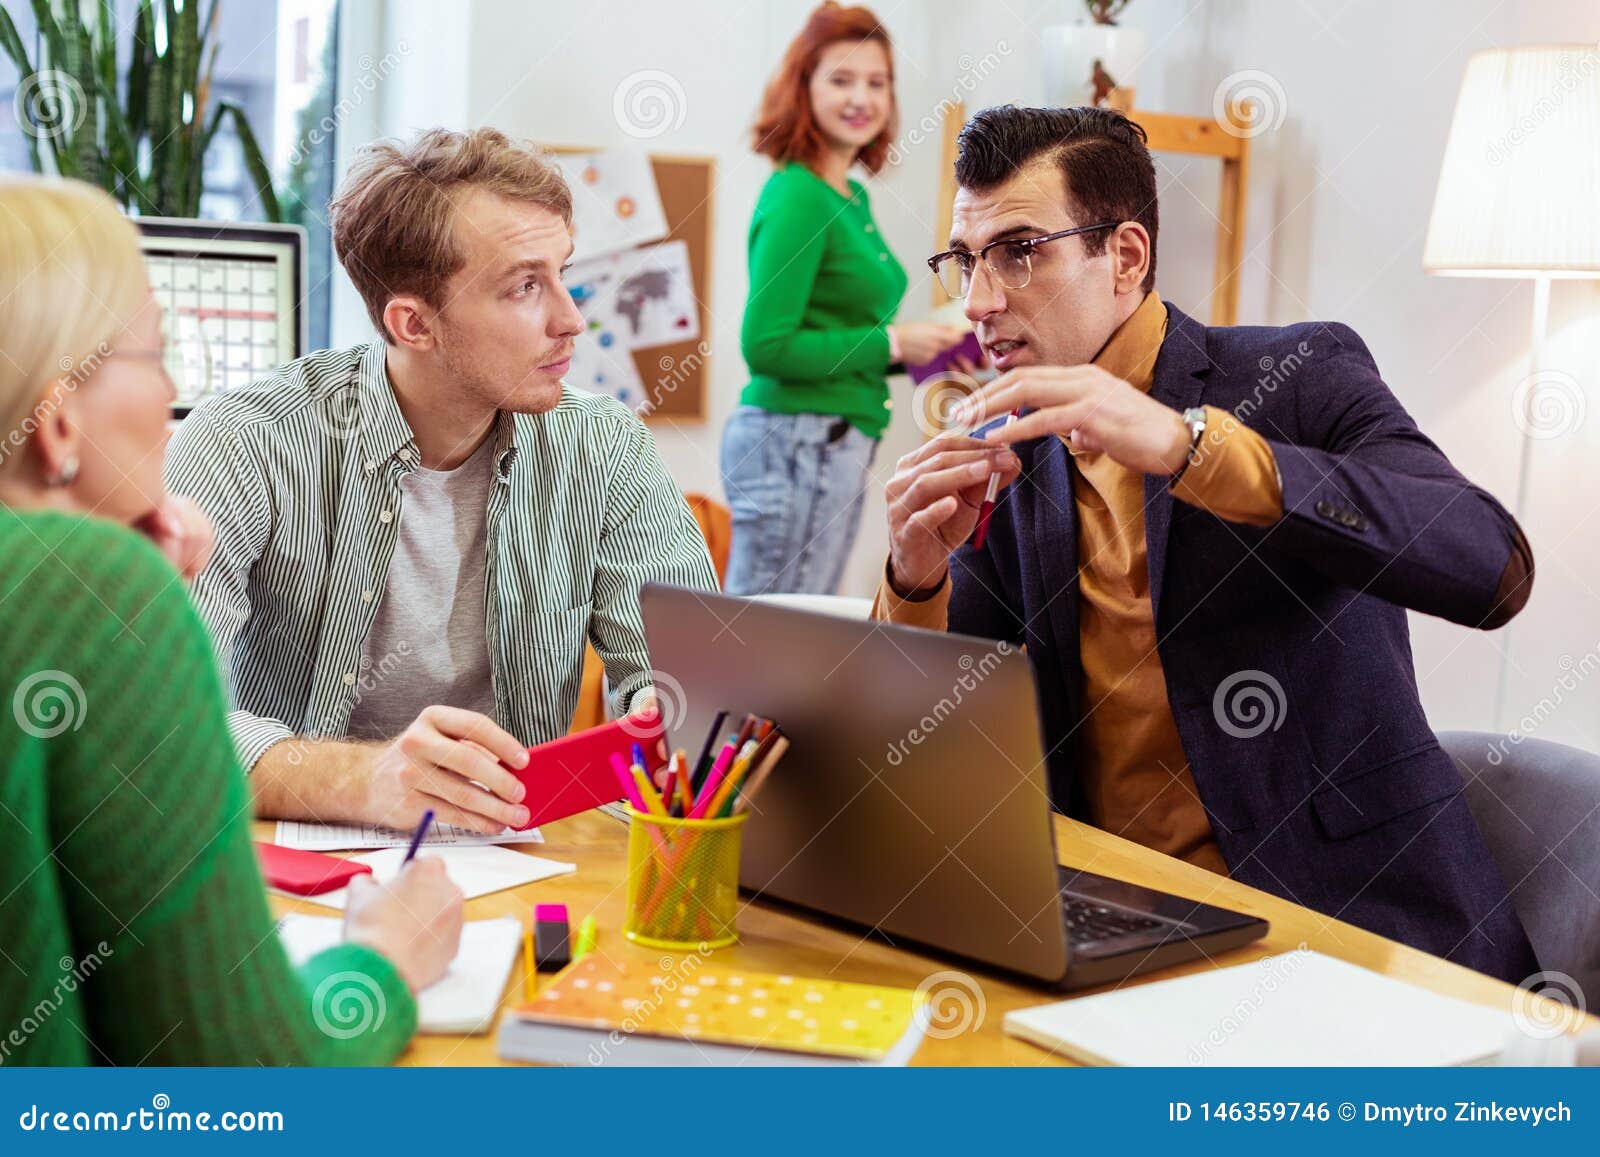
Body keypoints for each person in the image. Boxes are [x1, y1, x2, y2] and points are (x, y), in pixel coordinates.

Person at [874, 104, 1539, 983]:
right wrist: (913, 581)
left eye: (1019, 252)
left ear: (1125, 257)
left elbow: (1491, 564)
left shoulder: (1297, 372)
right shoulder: (1015, 447)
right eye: (966, 260)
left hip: (1342, 924)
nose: (977, 301)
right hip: (1116, 925)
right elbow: (958, 747)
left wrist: (1193, 448)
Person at [0, 176, 462, 1064]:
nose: (175, 393)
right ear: (57, 423)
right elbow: (248, 1077)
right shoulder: (95, 594)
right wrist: (383, 960)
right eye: (156, 353)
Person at [165, 127, 719, 836]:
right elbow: (161, 725)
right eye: (525, 286)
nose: (571, 319)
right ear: (414, 323)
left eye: (563, 272)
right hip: (284, 867)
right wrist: (370, 780)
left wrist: (670, 719)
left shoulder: (605, 447)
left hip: (516, 860)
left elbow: (683, 695)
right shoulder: (245, 440)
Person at [721, 1, 969, 596]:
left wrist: (910, 350)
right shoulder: (799, 195)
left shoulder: (849, 195)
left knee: (789, 632)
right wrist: (894, 340)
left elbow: (834, 330)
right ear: (803, 87)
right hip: (798, 441)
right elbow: (766, 346)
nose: (861, 97)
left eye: (877, 82)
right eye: (841, 79)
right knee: (770, 640)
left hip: (827, 441)